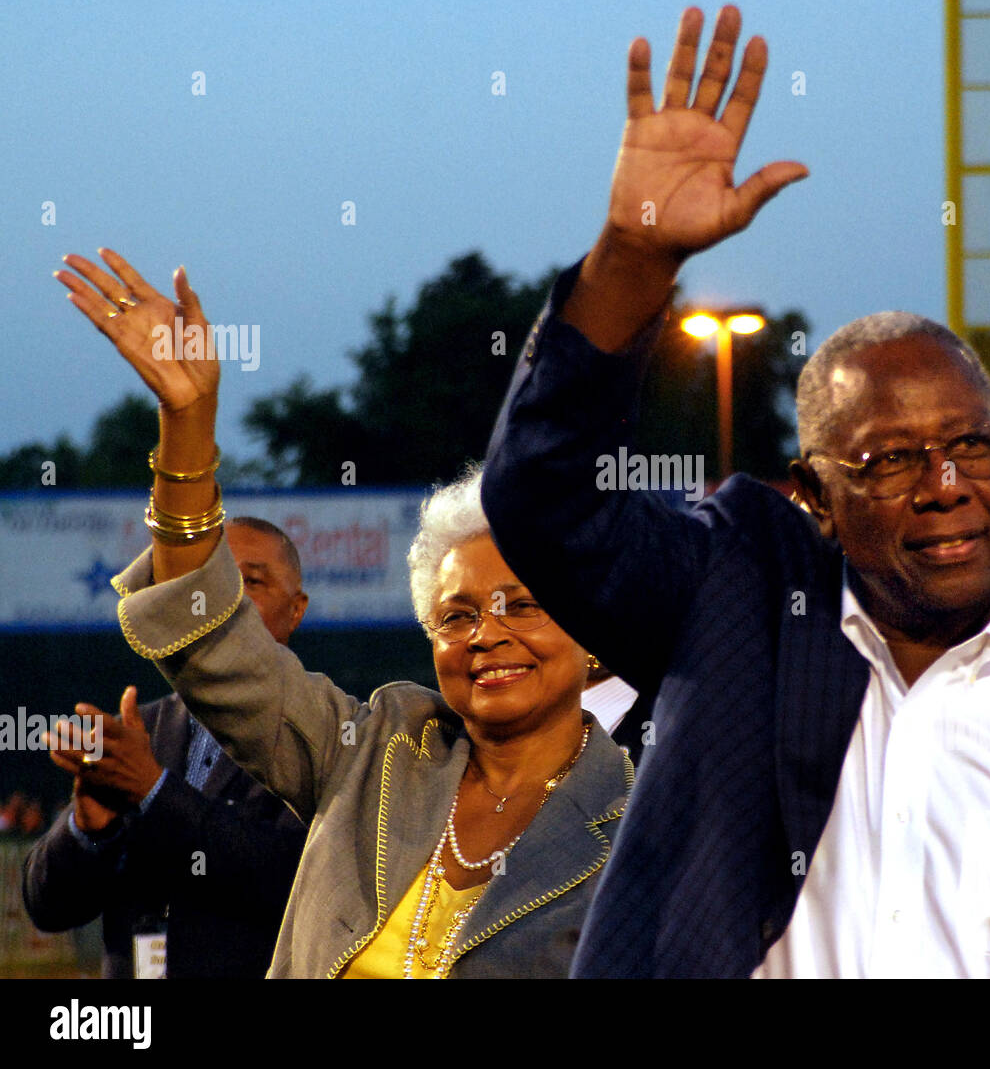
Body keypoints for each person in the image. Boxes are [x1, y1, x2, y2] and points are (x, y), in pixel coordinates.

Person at [480, 4, 990, 977]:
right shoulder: (736, 607)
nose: (945, 486)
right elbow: (542, 496)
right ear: (814, 496)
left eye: (969, 446)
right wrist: (636, 254)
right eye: (891, 460)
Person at [49, 247, 632, 976]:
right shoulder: (375, 750)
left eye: (526, 604)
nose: (487, 634)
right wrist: (188, 418)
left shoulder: (640, 820)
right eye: (456, 616)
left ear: (597, 638)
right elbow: (213, 644)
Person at [22, 518, 310, 978]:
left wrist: (154, 791)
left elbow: (293, 881)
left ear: (296, 610)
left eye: (251, 581)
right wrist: (88, 826)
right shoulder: (141, 729)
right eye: (210, 582)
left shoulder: (327, 735)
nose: (227, 598)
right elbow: (47, 907)